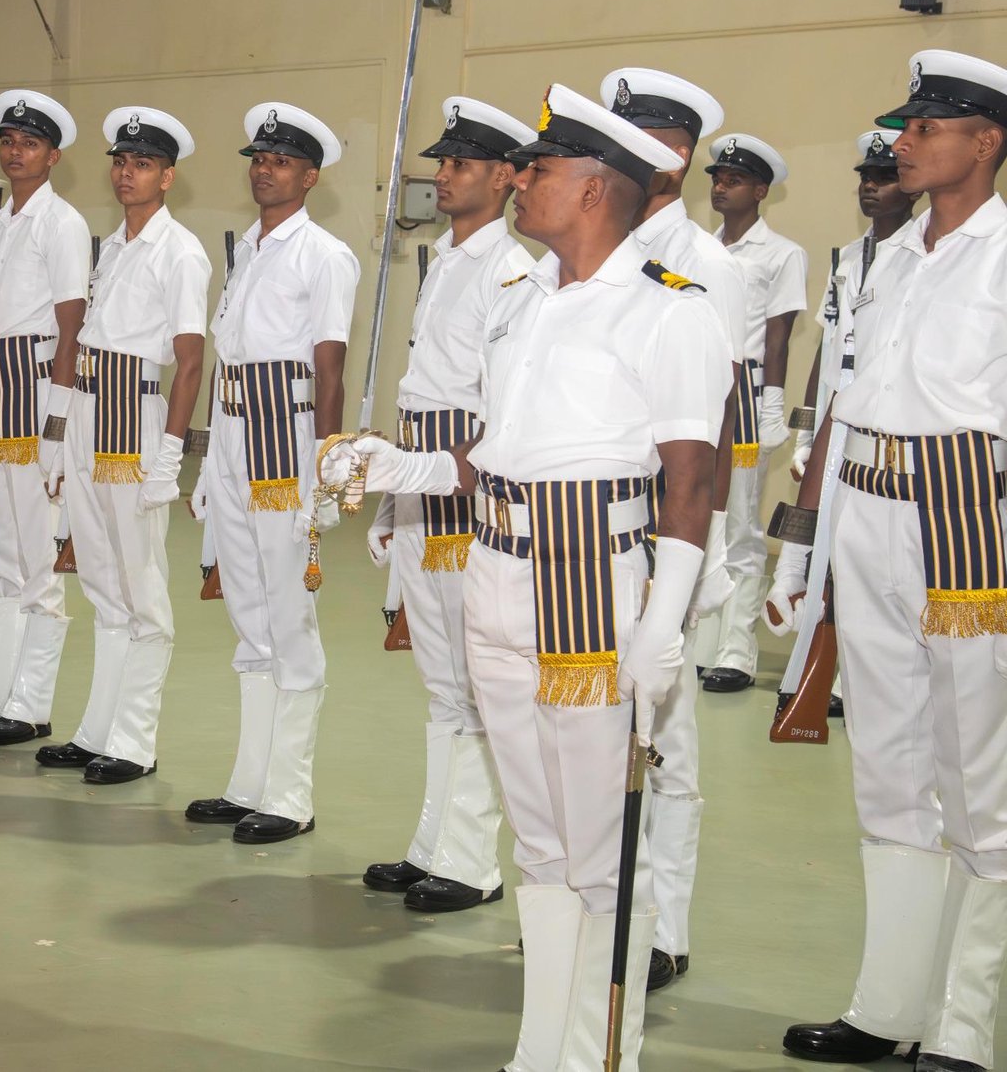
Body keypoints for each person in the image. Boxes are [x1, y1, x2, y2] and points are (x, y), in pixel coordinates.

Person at [326, 81, 729, 1070]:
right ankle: (536, 1051)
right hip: (497, 574)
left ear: (594, 188)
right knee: (540, 846)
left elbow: (690, 481)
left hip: (593, 584)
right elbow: (492, 456)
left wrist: (660, 628)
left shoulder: (667, 313)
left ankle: (602, 1057)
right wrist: (397, 467)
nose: (521, 181)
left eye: (540, 169)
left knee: (597, 851)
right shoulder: (524, 302)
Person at [772, 51, 1007, 1072]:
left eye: (925, 127)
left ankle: (961, 1029)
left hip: (964, 510)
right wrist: (799, 542)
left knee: (979, 775)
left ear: (984, 141)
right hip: (864, 508)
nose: (901, 143)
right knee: (887, 768)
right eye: (903, 127)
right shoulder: (884, 255)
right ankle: (887, 1007)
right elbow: (840, 398)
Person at [361, 96, 535, 914]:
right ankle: (433, 841)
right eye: (443, 160)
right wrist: (393, 504)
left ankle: (472, 860)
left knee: (476, 684)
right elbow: (418, 395)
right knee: (440, 683)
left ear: (506, 176)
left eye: (463, 162)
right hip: (423, 486)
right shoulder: (443, 258)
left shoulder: (514, 273)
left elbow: (497, 424)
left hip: (468, 493)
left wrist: (413, 475)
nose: (444, 173)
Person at [600, 65, 747, 991]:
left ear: (676, 153)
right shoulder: (590, 245)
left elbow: (720, 425)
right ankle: (605, 901)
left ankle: (661, 925)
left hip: (668, 527)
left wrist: (700, 560)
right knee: (598, 724)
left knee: (667, 737)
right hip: (592, 526)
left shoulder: (711, 264)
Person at [184, 101, 356, 844]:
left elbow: (330, 368)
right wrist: (210, 463)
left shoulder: (325, 255)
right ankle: (249, 781)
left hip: (284, 443)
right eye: (258, 157)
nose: (264, 168)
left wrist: (323, 468)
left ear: (310, 175)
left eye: (281, 160)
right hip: (232, 436)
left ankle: (289, 793)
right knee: (250, 618)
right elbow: (231, 358)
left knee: (289, 618)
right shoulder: (248, 248)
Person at [34, 106, 207, 784]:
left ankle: (134, 739)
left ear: (167, 176)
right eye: (120, 161)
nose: (126, 173)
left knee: (141, 587)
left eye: (141, 163)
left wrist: (169, 455)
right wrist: (57, 433)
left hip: (134, 418)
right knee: (102, 581)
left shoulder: (180, 251)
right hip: (87, 411)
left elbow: (190, 361)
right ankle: (97, 728)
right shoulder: (112, 245)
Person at [0, 91, 90, 746]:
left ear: (53, 155)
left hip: (34, 387)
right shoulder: (0, 222)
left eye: (29, 143)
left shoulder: (62, 224)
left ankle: (31, 702)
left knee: (34, 547)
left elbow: (71, 325)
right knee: (1, 547)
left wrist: (57, 425)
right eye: (8, 140)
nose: (14, 151)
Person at [697, 134, 806, 691]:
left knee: (739, 522)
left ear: (761, 190)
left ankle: (737, 650)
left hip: (745, 388)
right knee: (695, 512)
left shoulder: (782, 253)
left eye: (734, 180)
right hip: (700, 383)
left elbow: (779, 335)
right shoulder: (702, 247)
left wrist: (771, 404)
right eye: (717, 178)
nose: (721, 186)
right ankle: (702, 638)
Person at [789, 130, 918, 481]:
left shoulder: (920, 258)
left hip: (882, 421)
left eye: (885, 178)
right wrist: (806, 431)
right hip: (835, 407)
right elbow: (826, 345)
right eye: (865, 178)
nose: (870, 187)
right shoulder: (845, 258)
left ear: (913, 188)